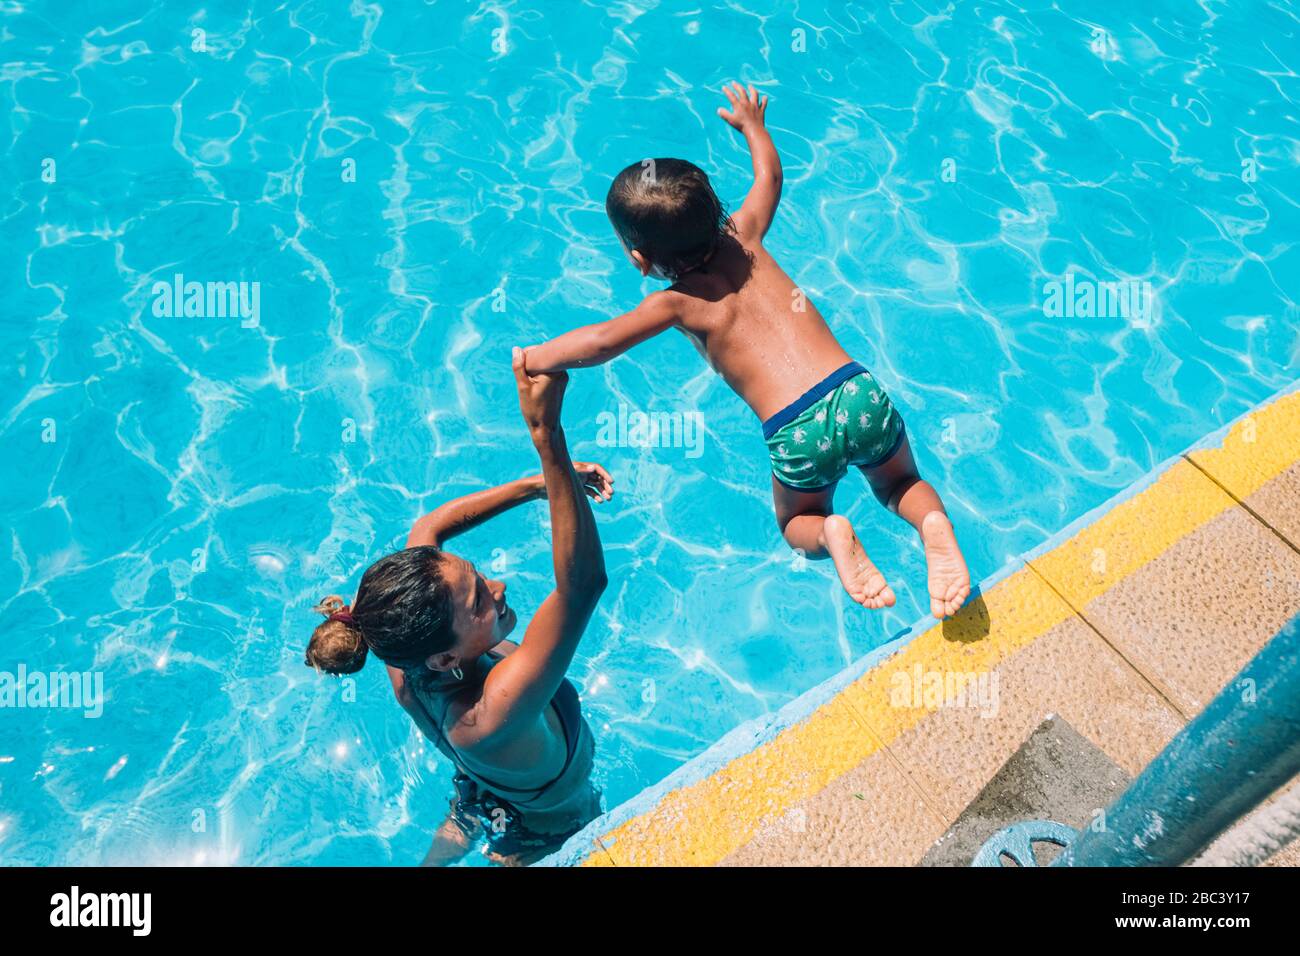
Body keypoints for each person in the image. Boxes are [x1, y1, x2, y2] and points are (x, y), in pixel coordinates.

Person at [523, 83, 970, 619]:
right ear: (716, 211)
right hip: (856, 390)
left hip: (795, 428)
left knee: (794, 523)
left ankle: (830, 534)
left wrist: (537, 357)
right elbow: (770, 178)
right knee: (901, 482)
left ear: (641, 260)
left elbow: (597, 344)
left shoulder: (674, 305)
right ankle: (931, 524)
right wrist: (754, 127)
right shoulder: (747, 234)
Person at [306, 351, 611, 864]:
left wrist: (534, 490)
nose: (499, 585)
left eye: (477, 576)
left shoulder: (403, 658)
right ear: (445, 659)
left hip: (484, 780)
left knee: (468, 814)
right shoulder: (488, 715)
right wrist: (547, 441)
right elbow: (583, 585)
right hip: (546, 823)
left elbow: (430, 529)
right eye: (478, 600)